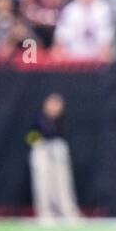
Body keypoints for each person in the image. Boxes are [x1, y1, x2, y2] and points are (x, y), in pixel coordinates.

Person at [26, 93, 80, 222]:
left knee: (62, 182)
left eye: (57, 105)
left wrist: (57, 147)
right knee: (43, 183)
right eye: (52, 104)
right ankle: (45, 213)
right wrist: (39, 143)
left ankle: (67, 211)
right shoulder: (38, 119)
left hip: (58, 153)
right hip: (42, 153)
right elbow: (30, 136)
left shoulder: (63, 120)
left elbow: (65, 138)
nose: (54, 107)